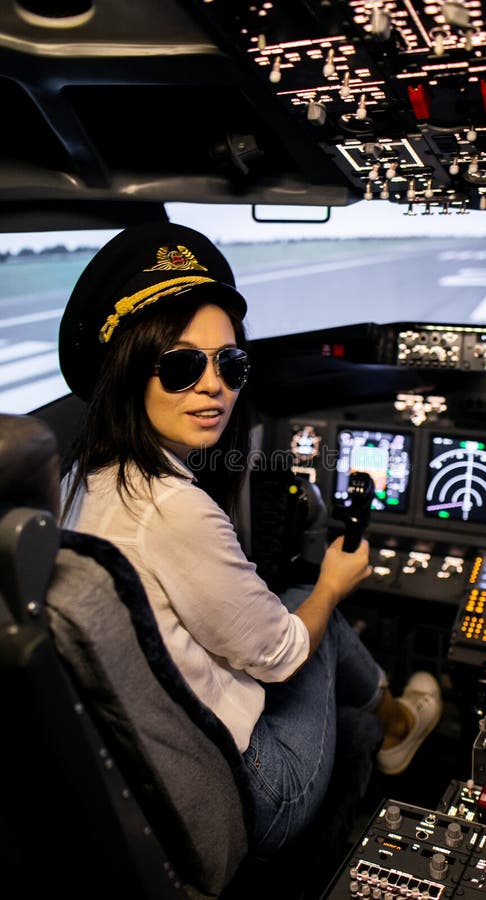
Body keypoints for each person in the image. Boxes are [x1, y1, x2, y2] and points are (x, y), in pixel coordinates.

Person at [58, 221, 442, 855]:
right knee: (314, 611)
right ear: (126, 372)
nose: (215, 385)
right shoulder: (171, 508)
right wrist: (334, 584)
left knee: (300, 598)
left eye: (230, 363)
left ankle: (387, 717)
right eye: (181, 365)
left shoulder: (83, 477)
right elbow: (285, 653)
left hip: (155, 778)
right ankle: (399, 724)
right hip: (255, 794)